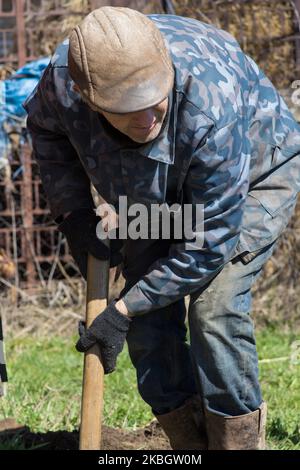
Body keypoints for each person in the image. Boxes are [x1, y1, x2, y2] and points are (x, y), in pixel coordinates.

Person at [24, 7, 300, 450]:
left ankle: (237, 444)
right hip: (154, 192)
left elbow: (210, 240)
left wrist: (123, 308)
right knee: (150, 327)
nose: (149, 116)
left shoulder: (210, 102)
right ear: (87, 98)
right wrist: (74, 214)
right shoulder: (63, 83)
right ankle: (190, 444)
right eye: (129, 108)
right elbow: (46, 134)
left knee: (215, 310)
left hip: (253, 179)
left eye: (157, 98)